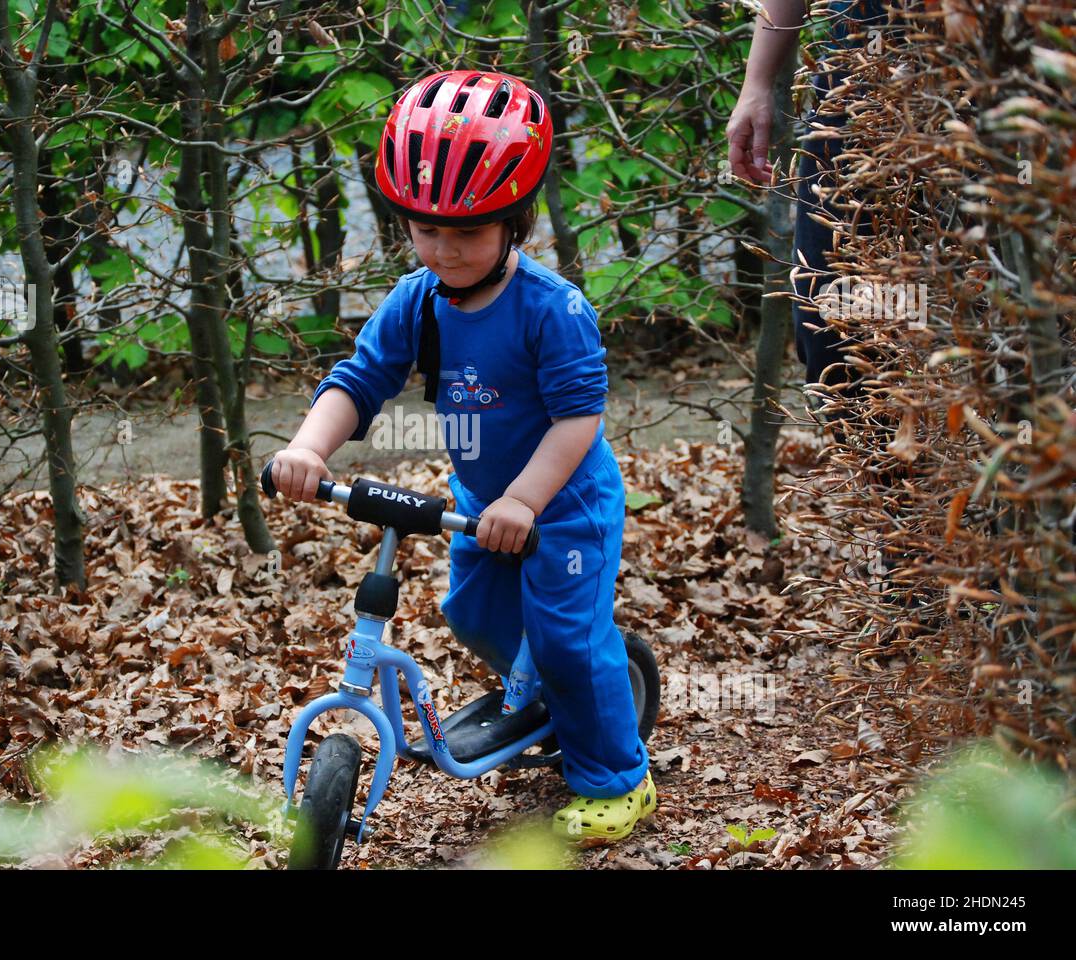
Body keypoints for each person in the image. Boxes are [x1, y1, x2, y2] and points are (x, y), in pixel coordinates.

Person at [268, 70, 655, 841]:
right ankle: (544, 691)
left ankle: (618, 777)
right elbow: (360, 379)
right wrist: (308, 447)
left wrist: (526, 501)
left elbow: (578, 420)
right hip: (481, 500)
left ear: (517, 222)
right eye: (426, 229)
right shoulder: (418, 300)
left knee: (567, 642)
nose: (444, 250)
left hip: (563, 508)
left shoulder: (554, 310)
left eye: (469, 232)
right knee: (471, 611)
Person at [727, 0, 891, 420]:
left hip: (978, 84)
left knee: (974, 316)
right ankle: (882, 475)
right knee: (832, 329)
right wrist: (757, 82)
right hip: (854, 75)